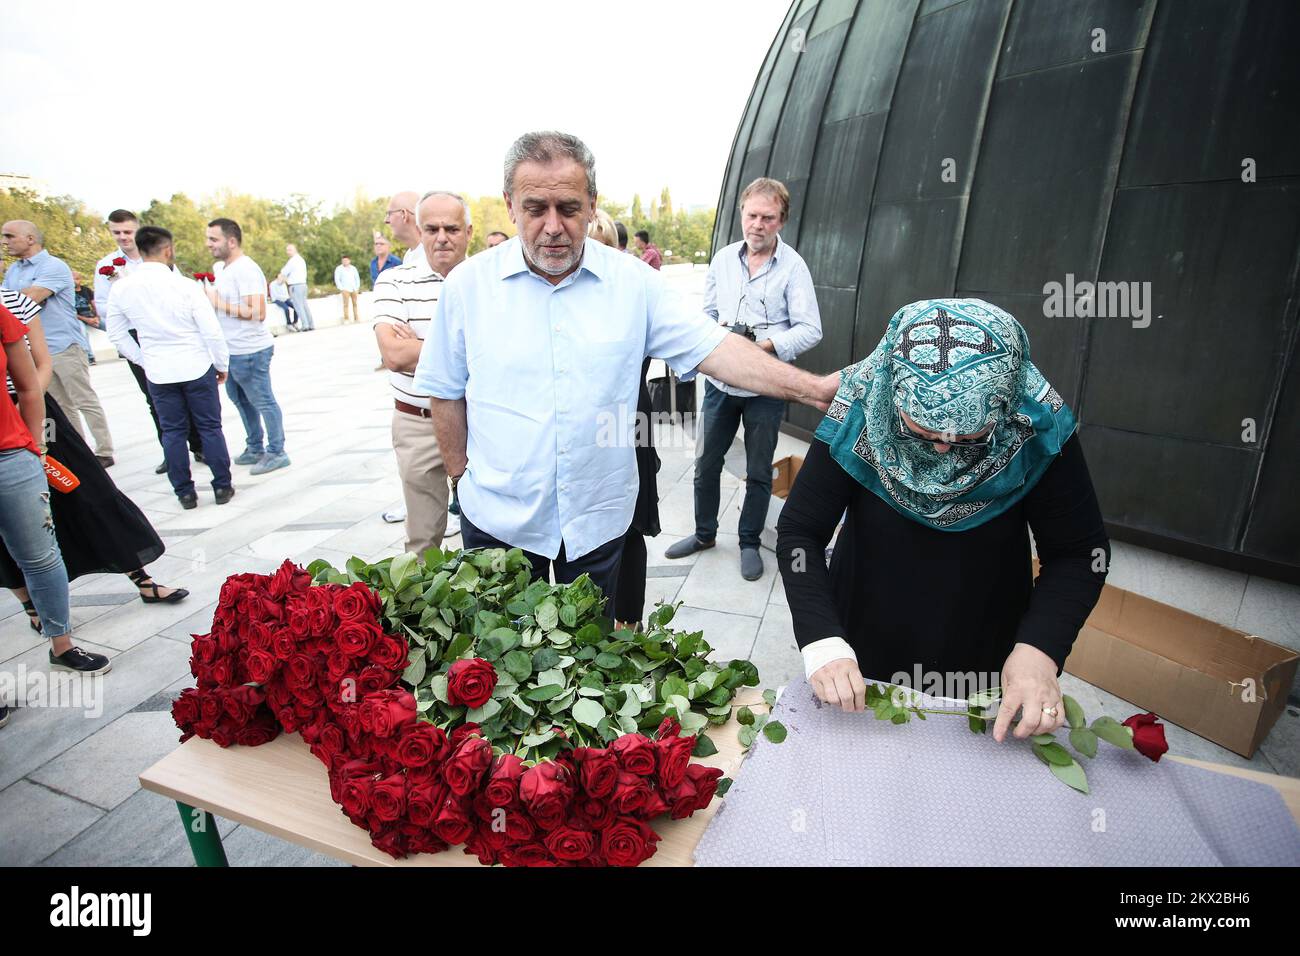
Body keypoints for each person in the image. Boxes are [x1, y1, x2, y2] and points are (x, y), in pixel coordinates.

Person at [413, 130, 839, 602]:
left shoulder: (635, 284)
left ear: (592, 205)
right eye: (535, 208)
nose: (553, 226)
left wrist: (814, 390)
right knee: (504, 646)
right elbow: (445, 390)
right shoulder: (467, 288)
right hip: (498, 526)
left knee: (595, 648)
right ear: (510, 206)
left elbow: (718, 349)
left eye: (569, 208)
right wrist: (460, 478)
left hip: (598, 526)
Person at [775, 299, 1110, 743]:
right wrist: (822, 640)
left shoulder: (1040, 427)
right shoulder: (862, 405)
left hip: (984, 651)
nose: (940, 449)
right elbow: (801, 532)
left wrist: (1039, 651)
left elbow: (1081, 554)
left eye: (968, 437)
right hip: (860, 638)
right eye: (920, 431)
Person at [1, 286, 189, 640]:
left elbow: (42, 363)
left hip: (34, 409)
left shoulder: (14, 301)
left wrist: (26, 409)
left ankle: (141, 578)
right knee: (8, 520)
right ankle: (31, 605)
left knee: (90, 490)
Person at [664, 177, 823, 581]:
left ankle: (749, 542)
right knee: (706, 464)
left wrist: (763, 347)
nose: (758, 224)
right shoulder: (722, 260)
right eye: (752, 215)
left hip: (765, 388)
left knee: (758, 471)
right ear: (742, 215)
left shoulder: (793, 266)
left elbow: (811, 329)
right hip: (721, 383)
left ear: (781, 220)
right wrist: (718, 337)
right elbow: (708, 314)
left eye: (768, 218)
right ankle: (704, 534)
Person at [0, 297, 111, 716]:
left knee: (41, 556)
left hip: (11, 456)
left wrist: (33, 448)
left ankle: (62, 645)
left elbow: (29, 384)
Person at [105, 226, 233, 508]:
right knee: (210, 427)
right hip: (196, 365)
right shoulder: (186, 286)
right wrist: (221, 363)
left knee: (172, 431)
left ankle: (184, 493)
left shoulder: (122, 288)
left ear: (140, 249)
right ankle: (222, 486)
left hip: (159, 371)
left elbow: (116, 334)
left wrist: (143, 359)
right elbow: (211, 331)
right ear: (167, 250)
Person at [374, 191, 472, 553]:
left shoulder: (487, 282)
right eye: (432, 229)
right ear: (420, 230)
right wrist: (469, 350)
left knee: (490, 537)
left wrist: (421, 344)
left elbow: (504, 352)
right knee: (423, 542)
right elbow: (395, 354)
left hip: (478, 419)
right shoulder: (393, 281)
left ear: (468, 232)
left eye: (452, 228)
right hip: (417, 421)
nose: (441, 237)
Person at [585, 212, 660, 627]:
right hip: (588, 425)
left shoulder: (633, 294)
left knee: (629, 527)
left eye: (601, 247)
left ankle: (629, 623)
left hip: (629, 419)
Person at [94, 209, 204, 474]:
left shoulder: (160, 260)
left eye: (127, 231)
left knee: (187, 388)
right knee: (154, 397)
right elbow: (103, 306)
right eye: (117, 232)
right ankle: (171, 452)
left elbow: (179, 292)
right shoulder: (106, 266)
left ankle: (199, 445)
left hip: (168, 331)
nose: (123, 237)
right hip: (136, 335)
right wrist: (128, 303)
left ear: (138, 230)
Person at [1, 220, 114, 466]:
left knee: (84, 399)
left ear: (30, 239)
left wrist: (17, 299)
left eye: (9, 236)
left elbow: (27, 300)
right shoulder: (13, 271)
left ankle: (104, 450)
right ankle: (80, 453)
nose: (4, 242)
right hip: (32, 352)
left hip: (63, 346)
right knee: (58, 407)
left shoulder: (53, 266)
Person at [203, 218, 290, 475]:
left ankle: (277, 452)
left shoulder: (246, 269)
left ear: (231, 241)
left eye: (214, 239)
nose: (209, 244)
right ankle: (255, 447)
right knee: (241, 401)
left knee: (263, 401)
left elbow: (258, 312)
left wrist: (217, 303)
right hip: (231, 351)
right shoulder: (224, 269)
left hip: (251, 350)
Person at [276, 243, 314, 331]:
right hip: (303, 285)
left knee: (298, 306)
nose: (287, 252)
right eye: (287, 250)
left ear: (295, 250)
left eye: (290, 250)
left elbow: (284, 272)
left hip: (295, 286)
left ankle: (305, 325)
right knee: (304, 305)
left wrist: (279, 282)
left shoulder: (293, 261)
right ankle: (311, 324)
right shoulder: (301, 259)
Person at [385, 191, 428, 268]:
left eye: (389, 214)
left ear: (404, 214)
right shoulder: (409, 256)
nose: (385, 220)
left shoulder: (431, 255)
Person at [334, 255, 361, 322]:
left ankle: (356, 318)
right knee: (346, 304)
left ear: (349, 261)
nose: (345, 262)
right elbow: (337, 279)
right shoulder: (339, 268)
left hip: (354, 288)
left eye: (346, 260)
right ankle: (346, 319)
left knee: (355, 304)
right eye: (343, 261)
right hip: (345, 289)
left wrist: (357, 287)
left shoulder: (353, 268)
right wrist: (341, 288)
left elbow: (357, 278)